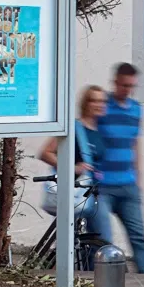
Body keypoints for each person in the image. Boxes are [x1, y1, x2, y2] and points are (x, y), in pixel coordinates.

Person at [95, 62, 144, 273]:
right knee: (104, 237)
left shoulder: (137, 110)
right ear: (115, 83)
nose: (127, 90)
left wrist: (139, 178)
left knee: (138, 236)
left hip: (128, 185)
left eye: (132, 86)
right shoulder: (102, 106)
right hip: (102, 186)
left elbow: (135, 143)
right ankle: (107, 280)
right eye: (124, 85)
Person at [38, 84, 109, 252]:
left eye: (102, 101)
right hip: (75, 192)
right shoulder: (75, 127)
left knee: (101, 239)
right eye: (94, 100)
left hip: (93, 192)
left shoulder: (99, 130)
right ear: (85, 103)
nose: (99, 105)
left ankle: (93, 274)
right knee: (68, 244)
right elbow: (46, 152)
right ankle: (59, 272)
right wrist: (72, 167)